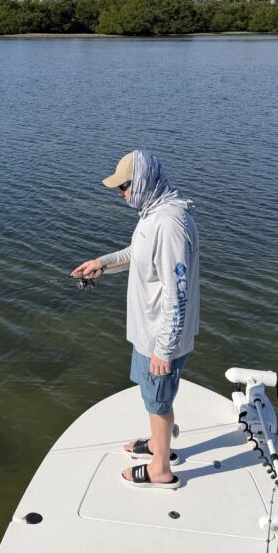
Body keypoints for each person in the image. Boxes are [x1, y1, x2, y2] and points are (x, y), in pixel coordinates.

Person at [71, 150, 199, 489]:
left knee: (159, 402)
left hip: (160, 336)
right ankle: (159, 444)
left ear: (142, 182)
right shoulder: (152, 213)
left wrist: (164, 349)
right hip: (148, 332)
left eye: (125, 186)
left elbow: (178, 292)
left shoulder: (170, 224)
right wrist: (102, 262)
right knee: (153, 397)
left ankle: (161, 469)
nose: (121, 193)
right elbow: (138, 255)